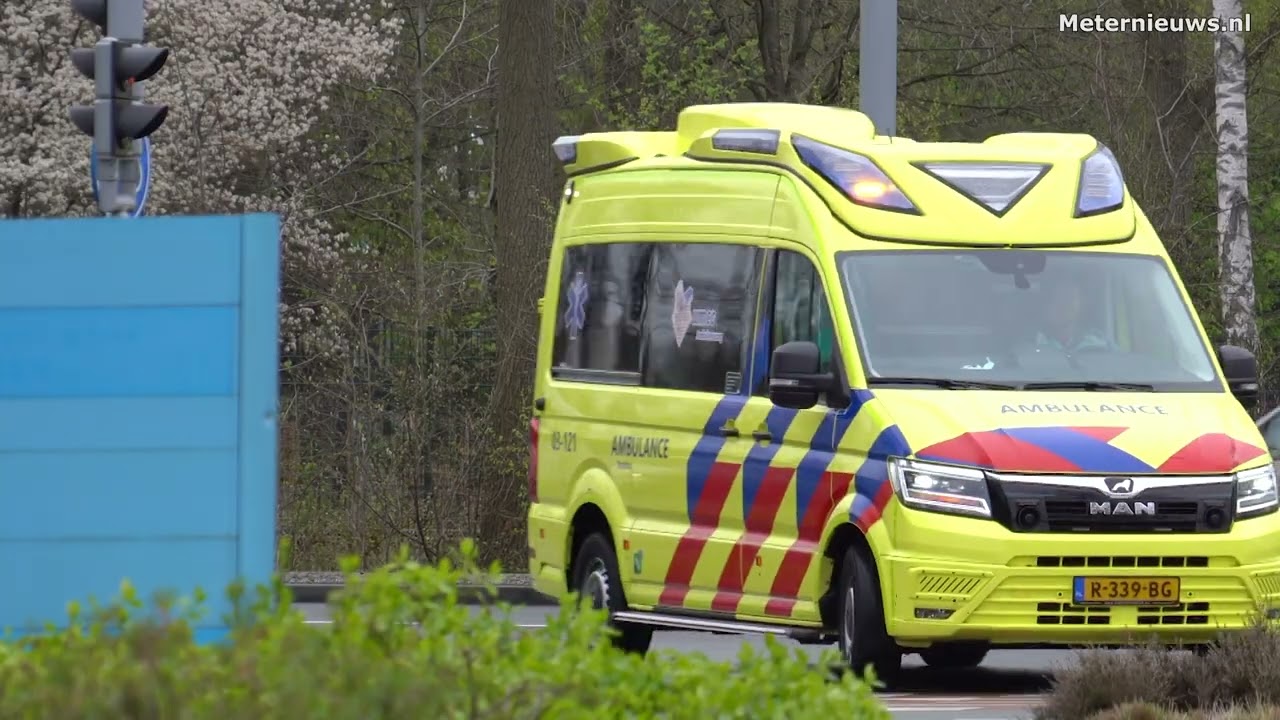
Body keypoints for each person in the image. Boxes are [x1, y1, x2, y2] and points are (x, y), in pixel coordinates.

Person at [1033, 275, 1112, 353]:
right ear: (1046, 306)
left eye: (1069, 298)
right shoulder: (1033, 343)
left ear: (1081, 304)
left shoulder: (1101, 343)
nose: (1063, 305)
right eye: (1057, 298)